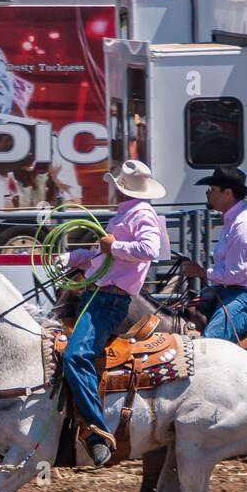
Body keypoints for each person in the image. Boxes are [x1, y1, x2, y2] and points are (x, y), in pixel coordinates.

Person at [59, 160, 166, 467]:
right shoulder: (125, 213)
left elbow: (149, 249)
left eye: (117, 184)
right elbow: (99, 254)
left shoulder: (142, 213)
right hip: (97, 294)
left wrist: (114, 246)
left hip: (108, 299)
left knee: (76, 356)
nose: (113, 189)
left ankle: (97, 432)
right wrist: (68, 258)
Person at [182, 166, 247, 343]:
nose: (207, 193)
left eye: (212, 189)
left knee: (211, 343)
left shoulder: (244, 226)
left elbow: (234, 275)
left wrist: (201, 272)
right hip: (232, 290)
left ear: (228, 193)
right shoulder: (234, 220)